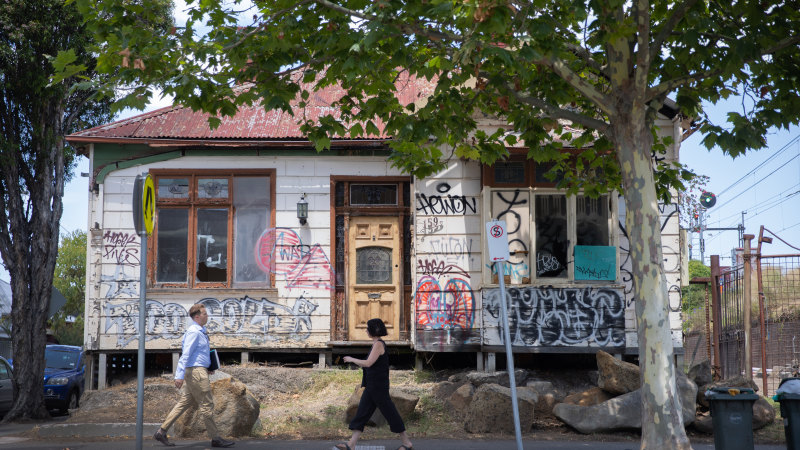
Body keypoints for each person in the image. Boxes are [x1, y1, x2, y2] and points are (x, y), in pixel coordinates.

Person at [153, 303, 235, 448]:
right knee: (207, 404)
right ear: (197, 317)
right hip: (196, 372)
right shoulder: (194, 332)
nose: (207, 315)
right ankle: (215, 438)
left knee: (185, 402)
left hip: (199, 369)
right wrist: (179, 375)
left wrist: (208, 366)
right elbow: (186, 354)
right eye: (204, 313)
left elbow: (199, 354)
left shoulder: (201, 331)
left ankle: (161, 431)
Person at [333, 318, 413, 450]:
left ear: (373, 330)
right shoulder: (376, 343)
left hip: (378, 387)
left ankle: (407, 443)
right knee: (362, 413)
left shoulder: (379, 344)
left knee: (390, 413)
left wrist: (351, 359)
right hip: (372, 386)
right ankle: (351, 444)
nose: (365, 330)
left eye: (367, 328)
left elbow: (368, 363)